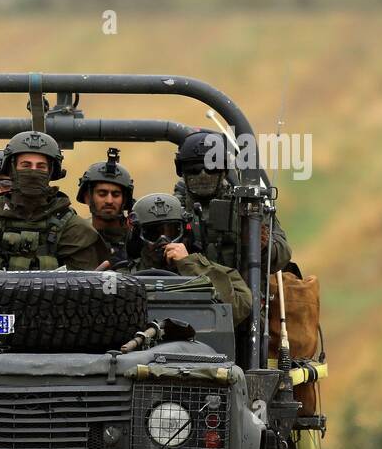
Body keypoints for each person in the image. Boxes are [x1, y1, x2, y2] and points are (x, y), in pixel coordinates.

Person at [0, 130, 108, 271]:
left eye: (41, 167)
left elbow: (85, 289)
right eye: (26, 166)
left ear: (51, 172)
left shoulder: (74, 228)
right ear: (12, 170)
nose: (33, 172)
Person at [118, 193, 252, 326]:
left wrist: (189, 265)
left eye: (172, 232)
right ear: (137, 237)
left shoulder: (213, 271)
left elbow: (235, 310)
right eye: (154, 233)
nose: (164, 240)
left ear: (185, 234)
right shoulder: (122, 276)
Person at [172, 130, 292, 273]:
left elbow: (283, 255)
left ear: (224, 171)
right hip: (181, 292)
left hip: (240, 291)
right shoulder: (171, 211)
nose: (203, 175)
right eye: (195, 168)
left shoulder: (245, 206)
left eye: (211, 168)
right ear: (182, 171)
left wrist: (263, 246)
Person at [75, 147, 134, 265]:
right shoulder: (75, 236)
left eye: (116, 194)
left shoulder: (136, 238)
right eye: (102, 194)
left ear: (125, 199)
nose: (109, 200)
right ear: (88, 198)